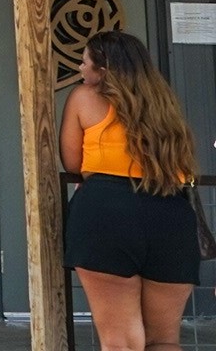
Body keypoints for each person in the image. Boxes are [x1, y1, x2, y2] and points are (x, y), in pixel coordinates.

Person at [61, 30, 200, 351]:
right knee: (164, 340)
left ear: (103, 70)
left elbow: (72, 162)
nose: (81, 70)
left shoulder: (84, 96)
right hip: (170, 211)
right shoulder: (164, 103)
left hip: (106, 210)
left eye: (84, 63)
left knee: (121, 342)